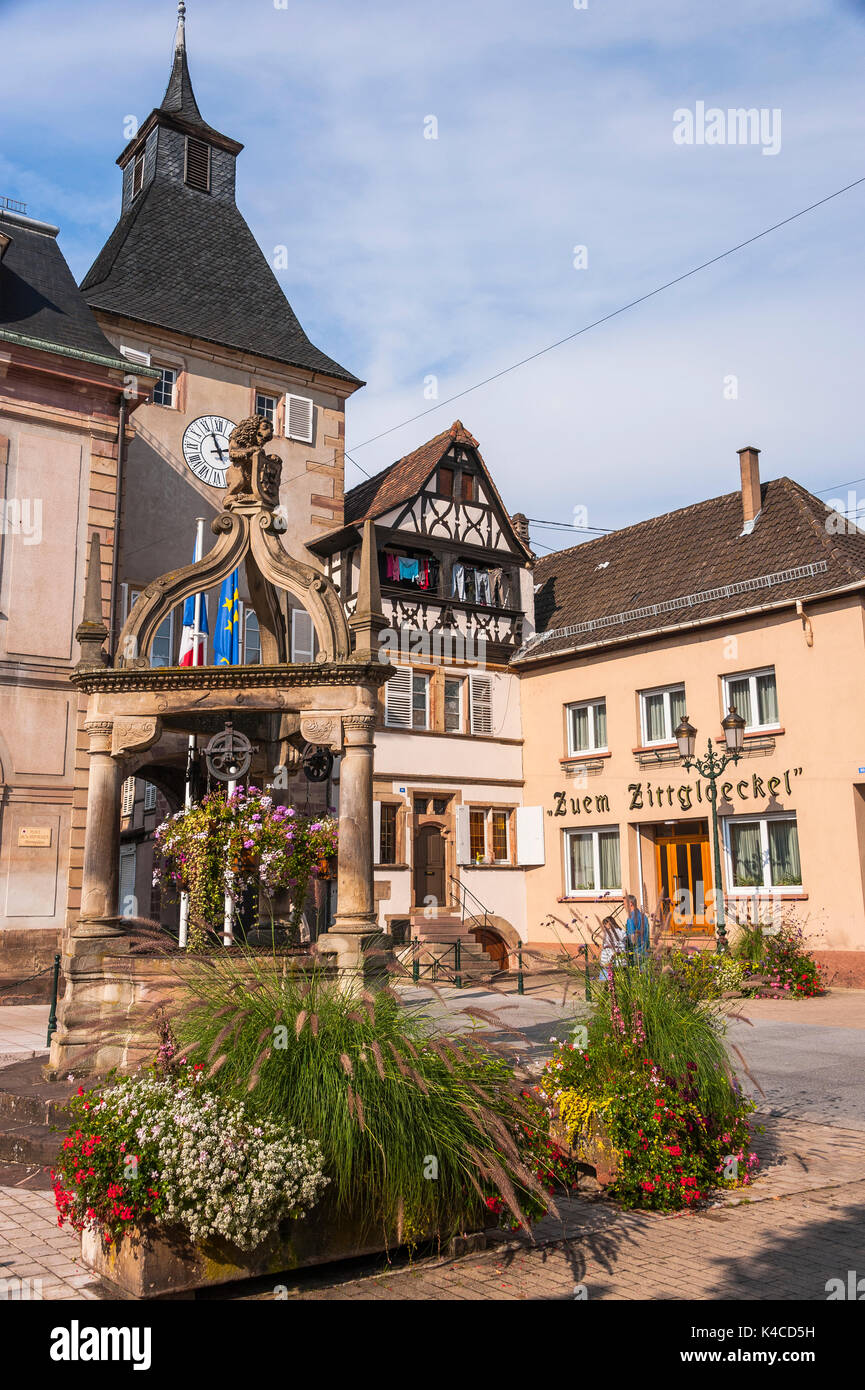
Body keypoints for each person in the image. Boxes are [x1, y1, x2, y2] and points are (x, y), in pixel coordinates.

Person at [598, 914, 626, 982]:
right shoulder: (622, 931)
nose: (605, 926)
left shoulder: (608, 933)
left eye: (606, 924)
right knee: (620, 982)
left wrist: (603, 961)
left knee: (606, 982)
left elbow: (607, 950)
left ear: (610, 923)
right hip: (621, 962)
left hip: (610, 962)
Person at [624, 893, 650, 964]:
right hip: (646, 951)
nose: (624, 906)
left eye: (624, 904)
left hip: (636, 953)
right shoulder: (644, 917)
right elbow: (647, 935)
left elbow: (631, 939)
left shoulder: (630, 919)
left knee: (637, 974)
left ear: (630, 904)